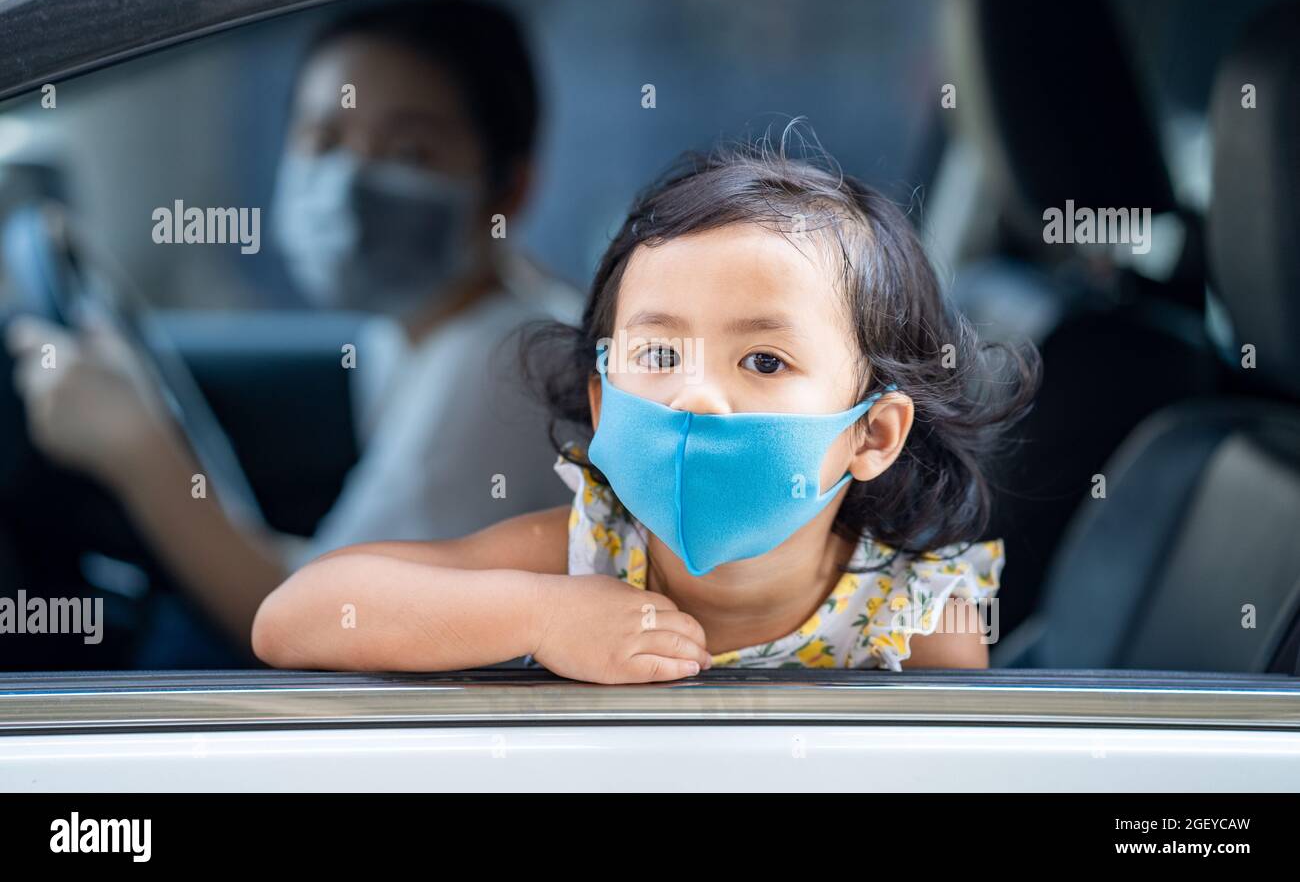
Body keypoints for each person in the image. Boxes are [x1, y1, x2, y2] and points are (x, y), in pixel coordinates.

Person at [250, 126, 1042, 682]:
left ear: (872, 433)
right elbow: (296, 617)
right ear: (602, 404)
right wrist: (540, 616)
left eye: (764, 359)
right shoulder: (582, 555)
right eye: (658, 354)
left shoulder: (916, 619)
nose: (693, 391)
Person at [5, 0, 578, 662]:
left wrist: (138, 451)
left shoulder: (500, 367)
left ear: (508, 189)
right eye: (324, 140)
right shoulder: (409, 333)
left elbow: (327, 624)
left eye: (410, 152)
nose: (349, 184)